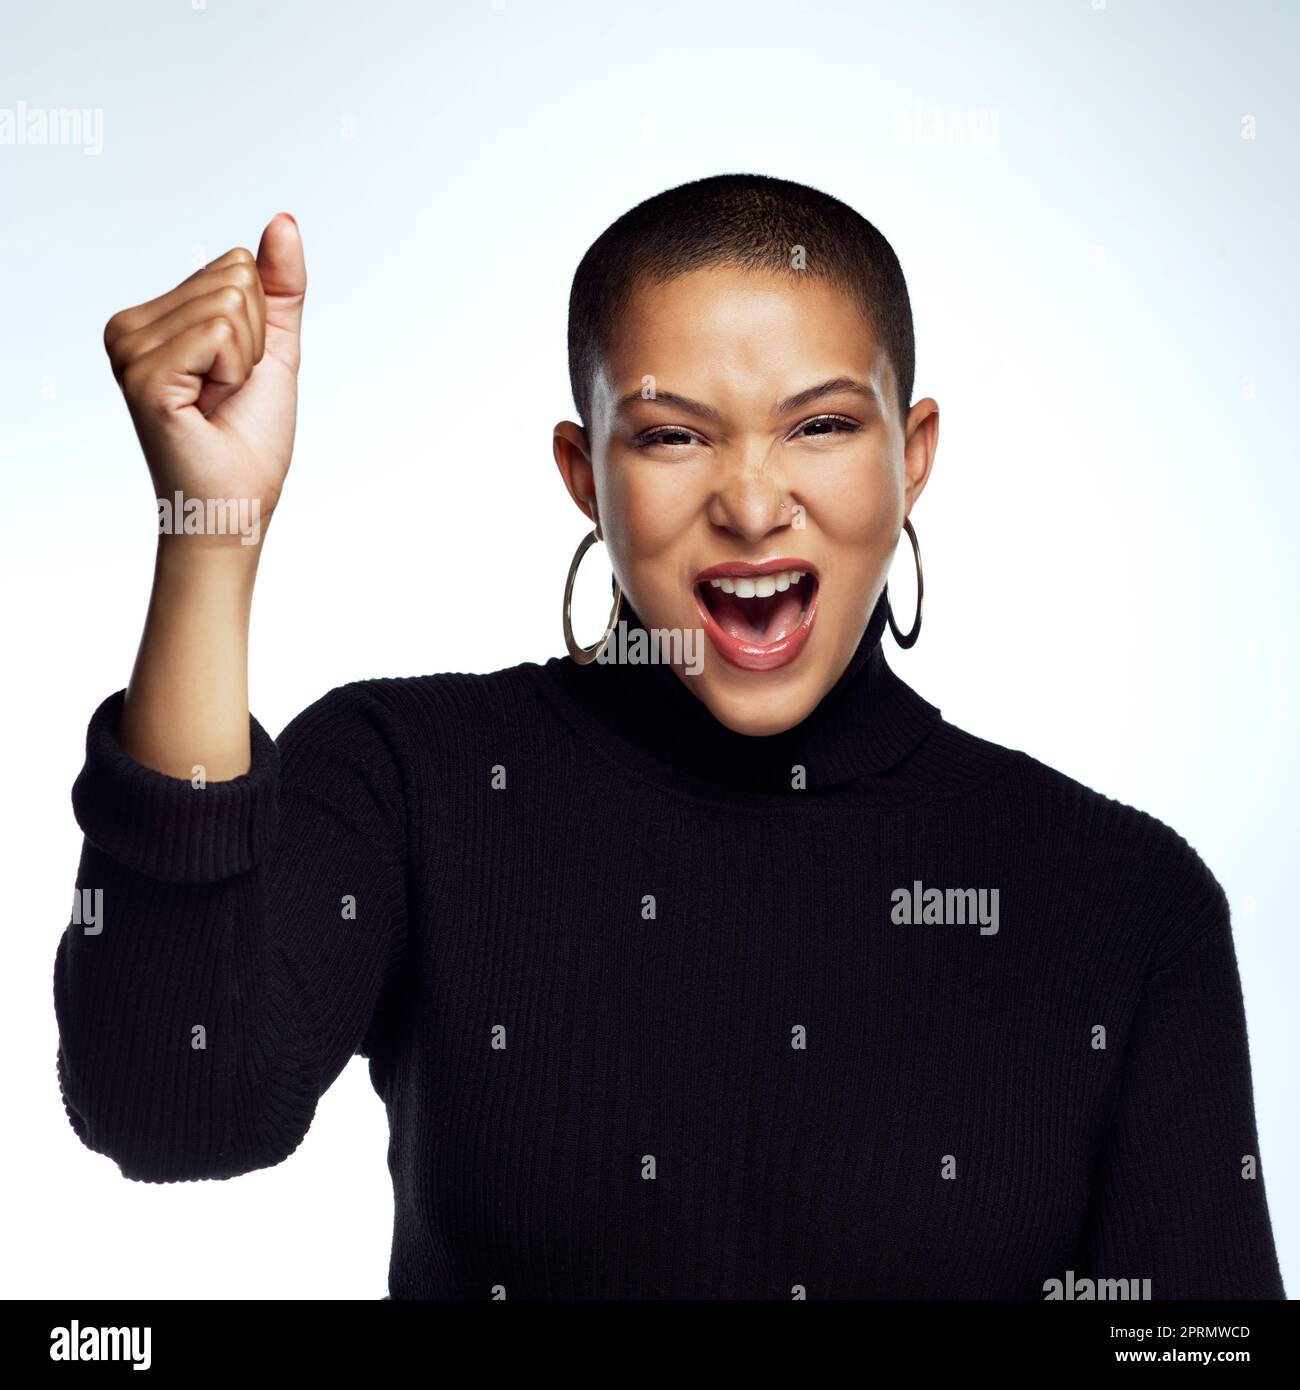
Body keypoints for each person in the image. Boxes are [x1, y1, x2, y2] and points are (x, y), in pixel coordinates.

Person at [54, 173, 1285, 1300]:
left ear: (911, 459)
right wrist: (210, 532)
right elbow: (177, 1102)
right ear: (583, 473)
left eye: (820, 427)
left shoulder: (1126, 903)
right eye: (673, 434)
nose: (751, 504)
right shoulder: (416, 779)